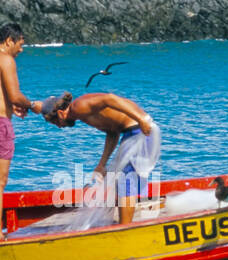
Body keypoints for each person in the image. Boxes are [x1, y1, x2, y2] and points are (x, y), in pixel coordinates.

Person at [40, 92, 158, 225]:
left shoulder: (78, 107)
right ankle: (124, 224)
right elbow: (112, 132)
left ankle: (124, 228)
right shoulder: (81, 114)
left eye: (56, 122)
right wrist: (102, 164)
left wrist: (140, 119)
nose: (59, 126)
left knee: (125, 182)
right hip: (133, 132)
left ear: (60, 113)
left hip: (139, 131)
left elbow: (109, 98)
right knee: (121, 181)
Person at [0, 23, 40, 240]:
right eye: (20, 43)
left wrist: (12, 107)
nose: (21, 49)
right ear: (10, 40)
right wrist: (32, 105)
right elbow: (14, 94)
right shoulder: (6, 59)